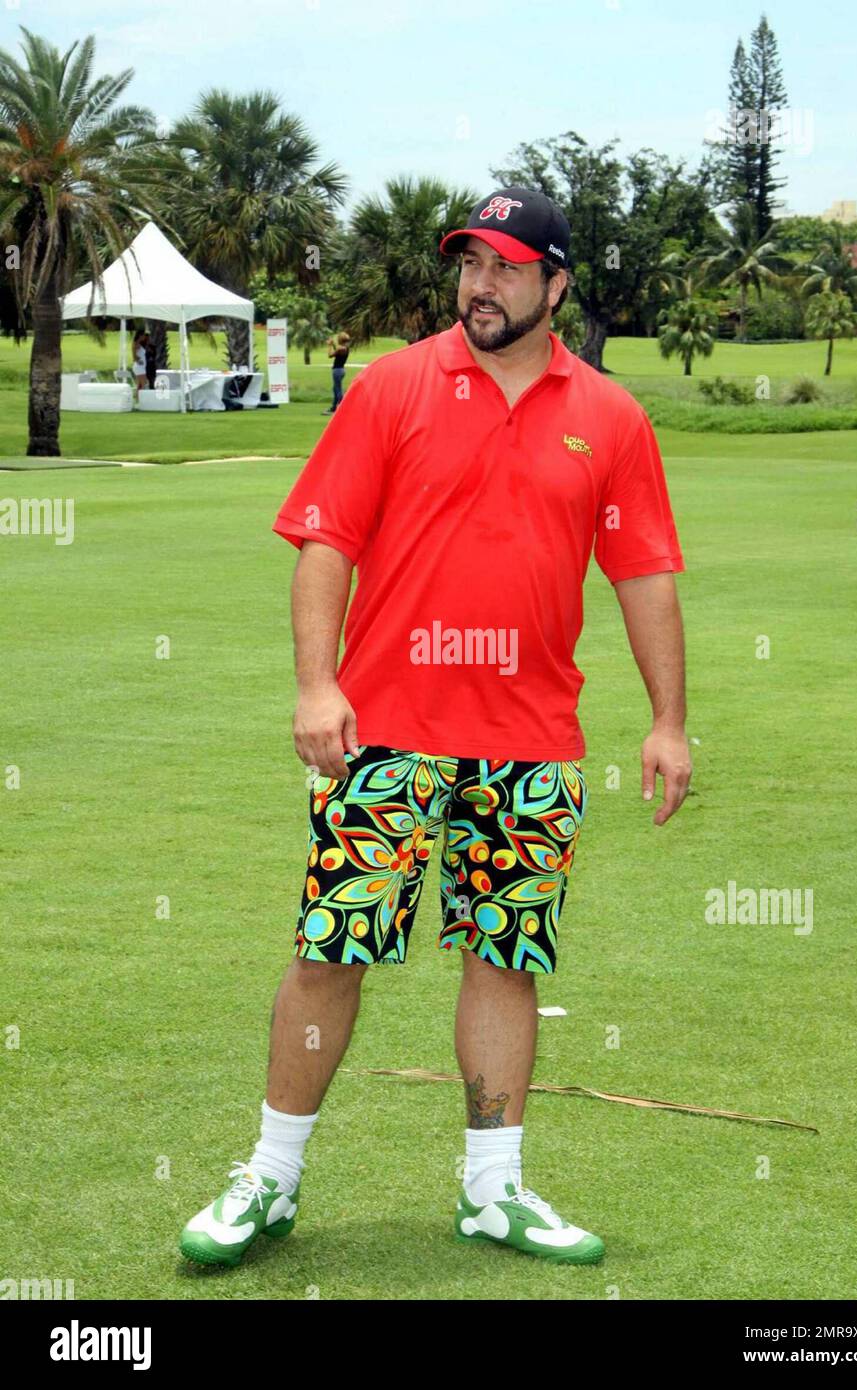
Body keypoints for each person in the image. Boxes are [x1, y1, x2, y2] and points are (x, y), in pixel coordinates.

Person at [179, 186, 691, 1269]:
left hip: (532, 742)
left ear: (557, 284)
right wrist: (318, 686)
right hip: (386, 733)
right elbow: (326, 546)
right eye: (470, 262)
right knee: (334, 953)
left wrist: (667, 720)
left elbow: (641, 568)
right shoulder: (393, 386)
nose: (482, 283)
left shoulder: (610, 416)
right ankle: (268, 1182)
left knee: (504, 957)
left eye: (508, 266)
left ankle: (493, 1191)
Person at [324, 331, 350, 412]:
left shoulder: (341, 348)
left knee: (338, 390)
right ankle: (334, 407)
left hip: (337, 371)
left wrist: (329, 345)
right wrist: (333, 344)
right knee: (335, 389)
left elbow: (330, 355)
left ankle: (343, 408)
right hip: (341, 370)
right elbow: (337, 350)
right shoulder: (345, 348)